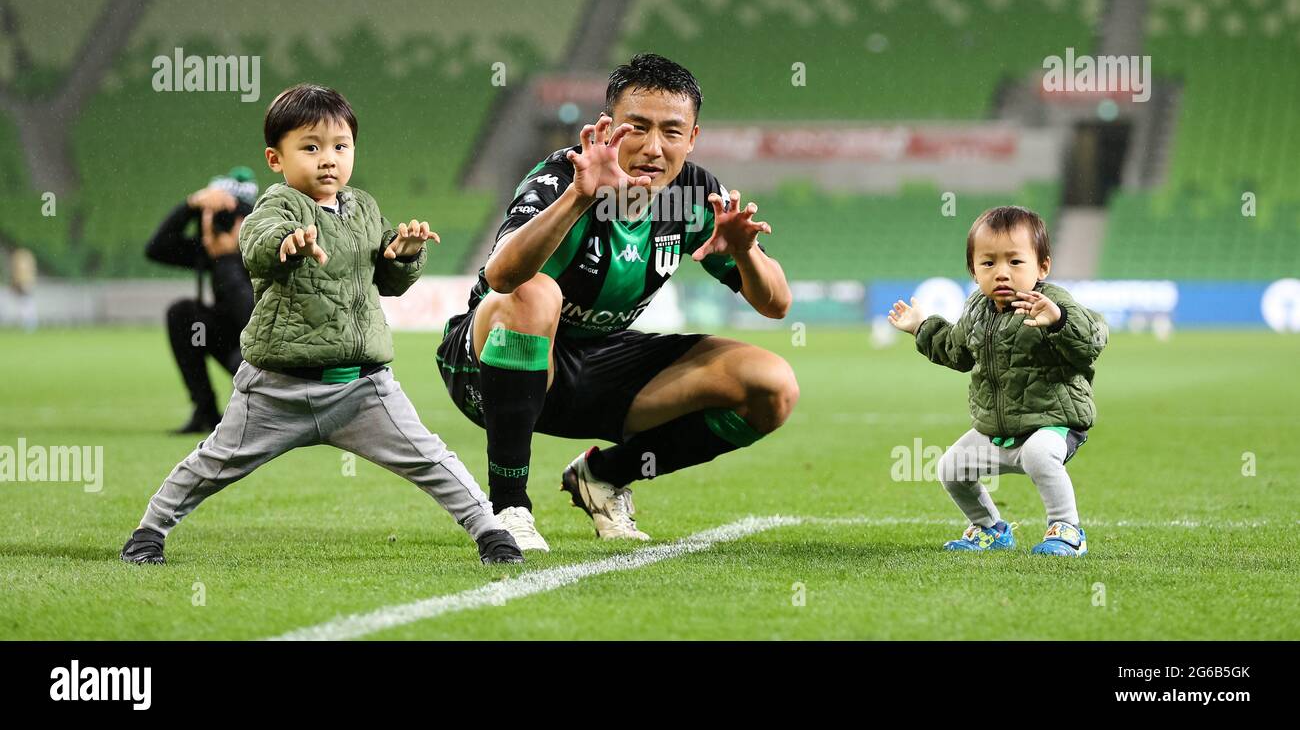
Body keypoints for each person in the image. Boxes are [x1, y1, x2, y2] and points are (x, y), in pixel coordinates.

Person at [121, 83, 521, 567]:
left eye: (340, 146)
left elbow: (389, 282)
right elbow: (258, 244)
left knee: (431, 459)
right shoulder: (277, 207)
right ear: (276, 158)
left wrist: (405, 255)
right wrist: (287, 245)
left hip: (362, 389)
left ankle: (492, 534)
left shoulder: (365, 209)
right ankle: (148, 534)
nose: (327, 159)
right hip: (276, 389)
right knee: (211, 465)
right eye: (310, 148)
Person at [437, 53, 800, 551]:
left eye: (672, 132)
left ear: (692, 138)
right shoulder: (565, 176)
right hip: (488, 361)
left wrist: (745, 253)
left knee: (772, 385)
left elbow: (776, 304)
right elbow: (501, 277)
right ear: (608, 128)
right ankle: (508, 508)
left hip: (595, 362)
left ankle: (603, 476)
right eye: (637, 127)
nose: (653, 147)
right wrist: (579, 200)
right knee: (535, 292)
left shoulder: (695, 196)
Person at [887, 205, 1108, 556]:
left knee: (1037, 455)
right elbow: (956, 351)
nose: (1002, 273)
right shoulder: (976, 309)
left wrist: (1060, 320)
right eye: (989, 263)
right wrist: (921, 326)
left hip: (1054, 422)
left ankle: (1068, 529)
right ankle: (990, 528)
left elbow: (1092, 341)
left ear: (1043, 266)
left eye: (1015, 262)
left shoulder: (1053, 303)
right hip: (996, 428)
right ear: (973, 271)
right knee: (951, 467)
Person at [145, 169, 257, 434]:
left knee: (242, 357)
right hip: (231, 340)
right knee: (182, 313)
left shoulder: (266, 244)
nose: (217, 223)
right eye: (210, 216)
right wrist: (189, 206)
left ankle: (262, 413)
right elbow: (157, 249)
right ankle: (205, 412)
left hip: (264, 343)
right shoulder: (211, 246)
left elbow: (252, 318)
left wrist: (229, 260)